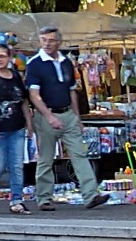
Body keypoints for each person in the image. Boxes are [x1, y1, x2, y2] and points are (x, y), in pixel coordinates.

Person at [25, 26, 109, 209]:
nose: (47, 43)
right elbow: (34, 95)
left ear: (59, 42)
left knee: (80, 153)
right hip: (46, 115)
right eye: (44, 39)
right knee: (46, 158)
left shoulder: (65, 62)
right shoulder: (35, 63)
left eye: (51, 40)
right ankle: (44, 198)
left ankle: (90, 195)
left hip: (67, 114)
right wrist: (48, 116)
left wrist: (77, 117)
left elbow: (72, 91)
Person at [0, 44, 31, 213]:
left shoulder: (15, 75)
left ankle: (16, 200)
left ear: (9, 58)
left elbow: (23, 100)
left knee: (16, 166)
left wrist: (29, 123)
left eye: (2, 56)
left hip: (16, 127)